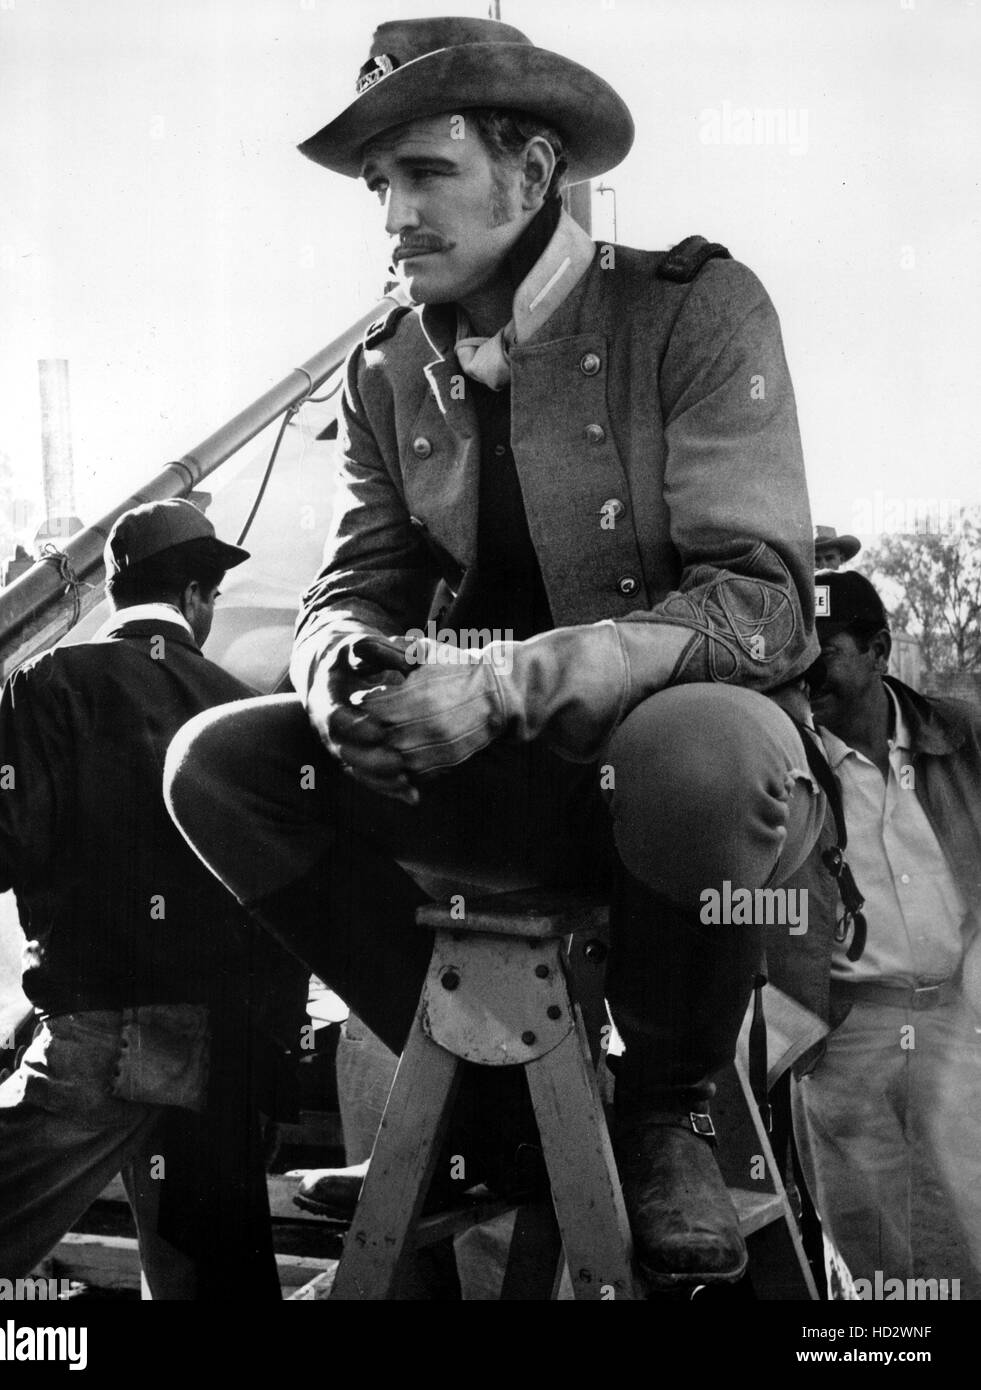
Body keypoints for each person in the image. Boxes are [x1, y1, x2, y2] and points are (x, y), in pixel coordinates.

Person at [165, 16, 826, 1289]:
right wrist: (343, 669)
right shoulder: (385, 373)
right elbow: (354, 578)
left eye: (424, 173)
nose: (392, 214)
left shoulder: (695, 311)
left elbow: (763, 609)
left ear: (529, 173)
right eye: (379, 187)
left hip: (683, 807)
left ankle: (667, 1105)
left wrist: (498, 684)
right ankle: (486, 1105)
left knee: (699, 754)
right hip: (491, 790)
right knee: (217, 764)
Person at [0, 499, 299, 1301]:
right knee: (213, 1287)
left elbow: (1, 851)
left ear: (112, 589)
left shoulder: (55, 681)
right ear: (201, 597)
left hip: (98, 1031)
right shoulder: (240, 708)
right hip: (219, 1043)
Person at [792, 570, 981, 1293]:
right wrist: (801, 1034)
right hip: (844, 1036)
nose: (805, 675)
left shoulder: (960, 736)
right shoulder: (786, 760)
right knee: (874, 1263)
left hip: (957, 1026)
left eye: (825, 651)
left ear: (878, 650)